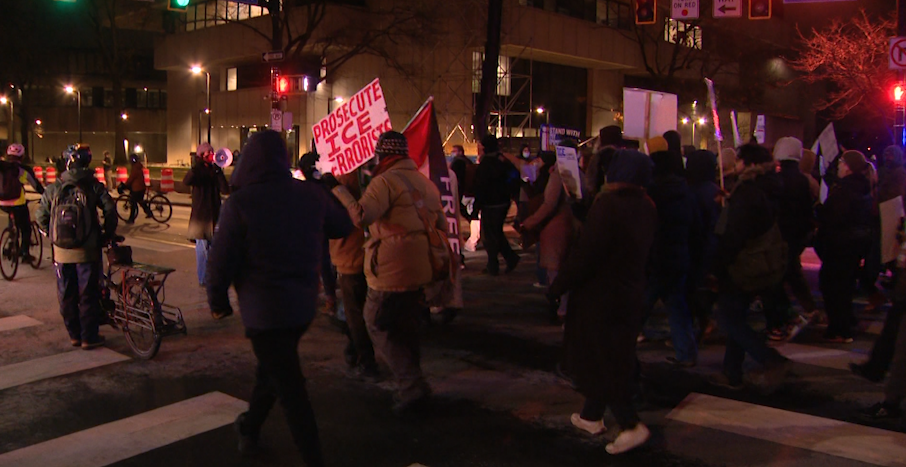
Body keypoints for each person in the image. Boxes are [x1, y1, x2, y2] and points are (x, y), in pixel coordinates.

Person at [206, 130, 352, 464]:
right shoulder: (310, 195)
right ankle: (249, 427)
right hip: (302, 307)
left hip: (264, 313)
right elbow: (343, 226)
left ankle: (311, 456)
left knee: (290, 388)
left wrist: (218, 303)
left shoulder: (240, 203)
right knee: (274, 372)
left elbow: (220, 260)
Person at [325, 131, 445, 413]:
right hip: (422, 264)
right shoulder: (423, 182)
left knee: (376, 321)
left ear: (384, 154)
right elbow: (441, 222)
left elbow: (361, 216)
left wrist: (337, 189)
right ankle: (416, 382)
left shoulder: (385, 181)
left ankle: (411, 385)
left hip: (394, 267)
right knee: (406, 326)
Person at [550, 149, 657, 455]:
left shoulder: (609, 205)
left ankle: (630, 424)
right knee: (608, 354)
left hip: (601, 295)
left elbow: (588, 253)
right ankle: (590, 415)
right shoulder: (646, 205)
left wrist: (558, 285)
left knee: (601, 359)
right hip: (629, 292)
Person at [710, 144, 790, 390]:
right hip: (762, 262)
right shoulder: (769, 187)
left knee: (728, 318)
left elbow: (736, 233)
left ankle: (769, 358)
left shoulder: (748, 192)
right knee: (737, 315)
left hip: (744, 262)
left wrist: (719, 263)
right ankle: (731, 371)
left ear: (747, 163)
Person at [35, 144, 117, 349]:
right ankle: (89, 337)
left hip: (61, 252)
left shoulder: (55, 187)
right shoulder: (93, 185)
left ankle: (74, 334)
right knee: (88, 293)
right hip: (88, 250)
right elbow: (110, 209)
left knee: (66, 293)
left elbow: (40, 216)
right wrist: (107, 233)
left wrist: (52, 235)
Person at [644, 138, 701, 367]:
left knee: (641, 306)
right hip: (679, 257)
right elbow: (695, 226)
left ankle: (618, 352)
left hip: (656, 258)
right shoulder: (685, 191)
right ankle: (686, 353)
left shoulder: (652, 192)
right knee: (677, 307)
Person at [816, 151, 874, 343]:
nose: (839, 166)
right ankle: (846, 321)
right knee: (845, 285)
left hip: (840, 244)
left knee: (834, 286)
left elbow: (835, 217)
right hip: (853, 244)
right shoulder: (862, 188)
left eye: (841, 163)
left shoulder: (846, 191)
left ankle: (840, 329)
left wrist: (820, 211)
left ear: (848, 167)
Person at [766, 137, 817, 341]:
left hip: (779, 236)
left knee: (775, 280)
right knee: (791, 273)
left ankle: (782, 319)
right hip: (795, 236)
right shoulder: (803, 181)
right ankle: (804, 310)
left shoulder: (777, 180)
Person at [329, 170, 379, 379]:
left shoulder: (344, 182)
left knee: (355, 313)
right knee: (357, 310)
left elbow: (352, 215)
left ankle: (366, 359)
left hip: (351, 255)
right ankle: (354, 348)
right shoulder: (372, 179)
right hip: (369, 254)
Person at [521, 149, 574, 321]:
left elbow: (549, 203)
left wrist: (531, 221)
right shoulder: (577, 172)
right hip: (572, 226)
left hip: (557, 227)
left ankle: (559, 306)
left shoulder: (558, 174)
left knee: (556, 270)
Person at [685, 150, 721, 343]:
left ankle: (698, 329)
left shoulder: (699, 191)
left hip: (700, 247)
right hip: (704, 247)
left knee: (694, 291)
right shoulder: (713, 190)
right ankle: (702, 324)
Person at [183, 142, 229, 287]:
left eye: (212, 152)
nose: (211, 155)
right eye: (208, 153)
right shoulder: (198, 171)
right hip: (201, 216)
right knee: (203, 251)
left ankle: (213, 276)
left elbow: (225, 189)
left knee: (215, 249)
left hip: (215, 214)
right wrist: (197, 166)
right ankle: (204, 278)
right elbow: (187, 181)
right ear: (202, 155)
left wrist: (218, 171)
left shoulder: (215, 170)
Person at [473, 134, 520, 275]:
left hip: (491, 204)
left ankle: (495, 263)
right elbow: (515, 177)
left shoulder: (486, 163)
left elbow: (480, 186)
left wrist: (477, 207)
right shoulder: (503, 160)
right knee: (496, 233)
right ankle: (507, 258)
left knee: (489, 235)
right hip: (502, 202)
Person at [0, 143, 44, 262]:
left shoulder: (2, 167)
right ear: (22, 156)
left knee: (12, 221)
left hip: (2, 202)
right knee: (26, 227)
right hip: (18, 202)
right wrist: (44, 194)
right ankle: (25, 253)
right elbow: (35, 185)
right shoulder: (23, 170)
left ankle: (10, 244)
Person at [449, 145, 480, 253]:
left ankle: (474, 238)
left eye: (454, 151)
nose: (452, 153)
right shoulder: (468, 162)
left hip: (465, 193)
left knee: (471, 215)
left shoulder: (459, 163)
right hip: (470, 193)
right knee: (471, 214)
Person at [119, 153, 152, 224]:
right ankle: (149, 212)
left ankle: (131, 219)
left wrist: (125, 185)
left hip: (137, 189)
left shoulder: (135, 168)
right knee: (140, 201)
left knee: (133, 203)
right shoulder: (139, 166)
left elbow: (131, 178)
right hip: (142, 187)